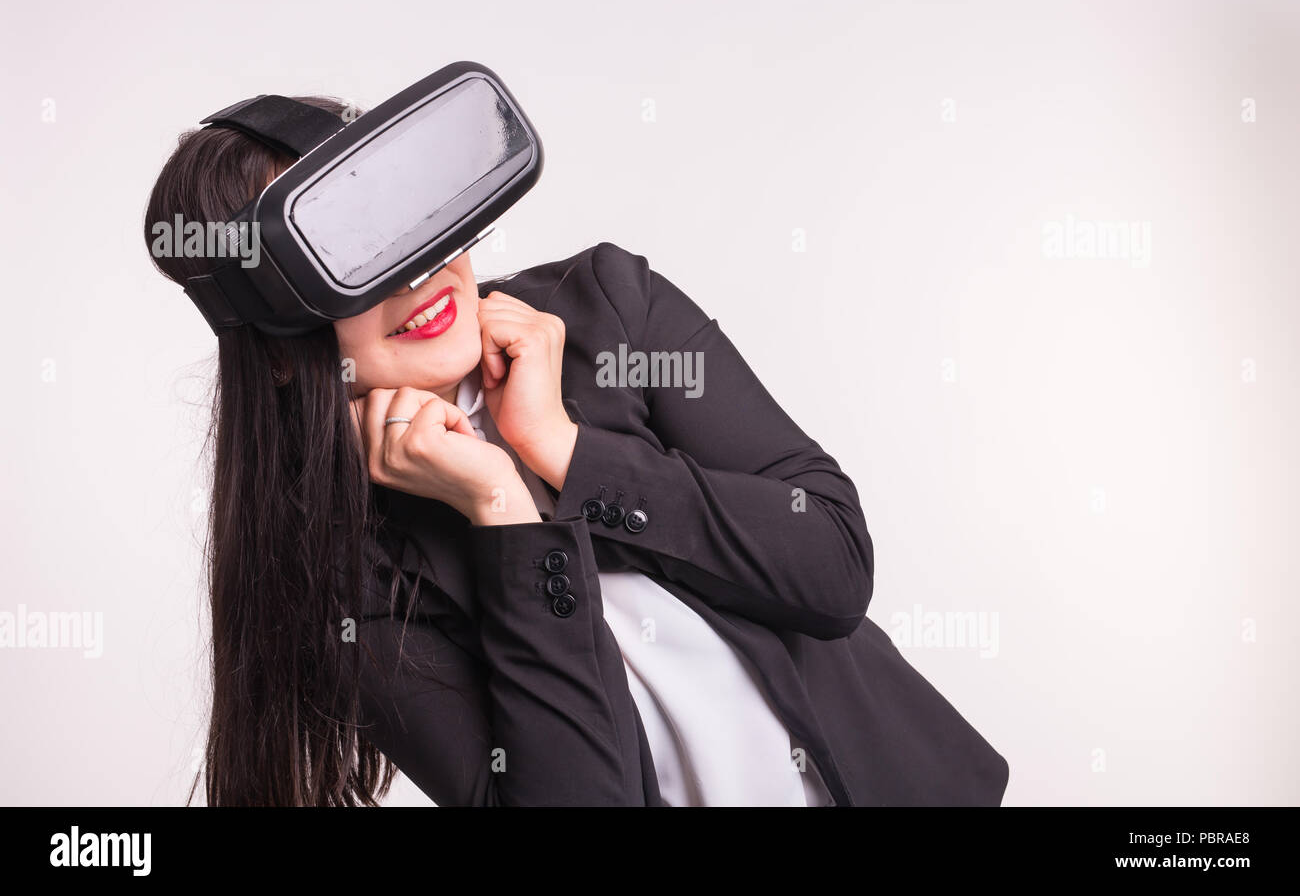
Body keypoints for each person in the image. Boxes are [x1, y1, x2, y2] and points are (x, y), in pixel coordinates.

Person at [145, 94, 1010, 806]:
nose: (413, 274)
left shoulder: (610, 306)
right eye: (343, 260)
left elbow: (831, 566)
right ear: (278, 352)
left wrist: (562, 449)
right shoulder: (335, 570)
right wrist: (504, 514)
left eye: (395, 215)